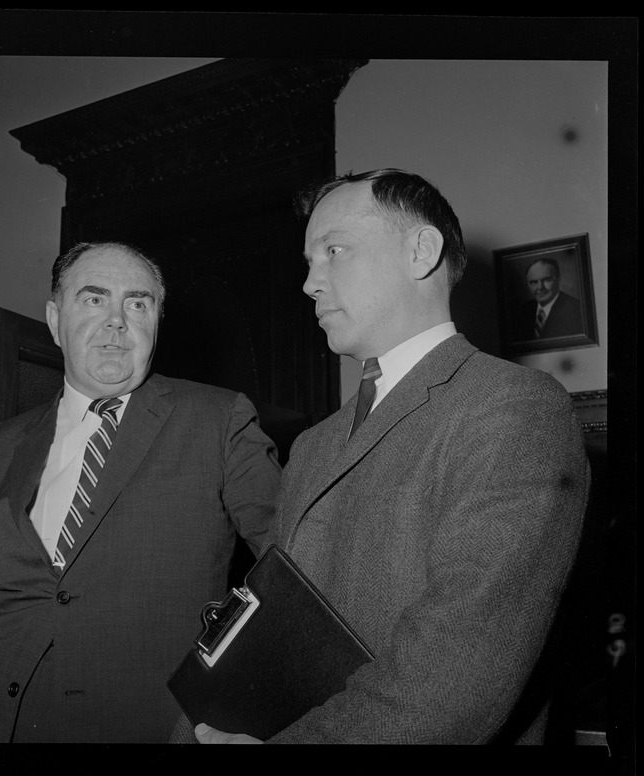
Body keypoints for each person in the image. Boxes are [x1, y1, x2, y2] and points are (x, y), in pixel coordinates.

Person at [192, 168, 591, 745]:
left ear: (421, 251)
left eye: (334, 251)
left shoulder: (514, 406)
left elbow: (454, 684)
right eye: (309, 262)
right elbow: (266, 626)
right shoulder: (314, 444)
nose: (309, 283)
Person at [0, 241, 282, 743]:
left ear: (156, 322)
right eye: (93, 299)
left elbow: (297, 574)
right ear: (55, 320)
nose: (117, 320)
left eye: (138, 303)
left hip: (149, 725)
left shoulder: (218, 419)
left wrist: (265, 720)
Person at [514, 257, 584, 341]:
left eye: (546, 280)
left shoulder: (577, 310)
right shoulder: (523, 311)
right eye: (534, 282)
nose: (540, 287)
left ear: (558, 278)